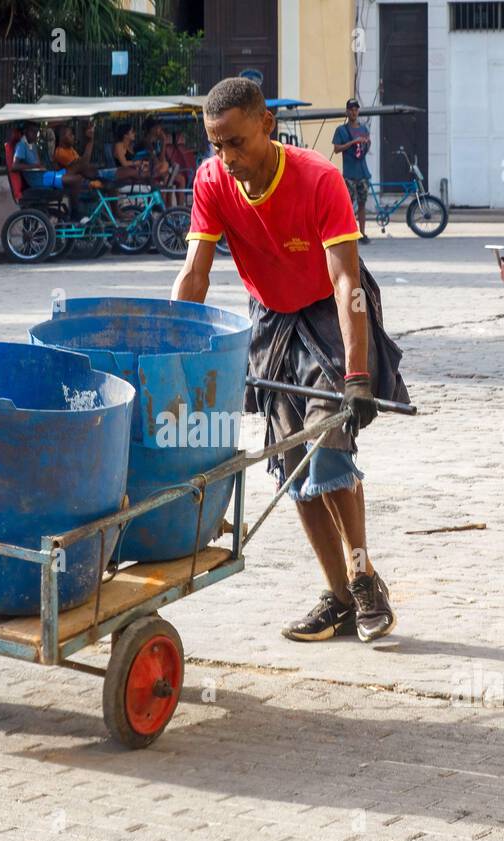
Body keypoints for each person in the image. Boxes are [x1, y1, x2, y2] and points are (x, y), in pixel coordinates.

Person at [173, 77, 409, 644]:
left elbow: (347, 280)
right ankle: (338, 596)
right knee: (292, 462)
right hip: (272, 318)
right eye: (215, 145)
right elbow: (196, 273)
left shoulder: (319, 178)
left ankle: (363, 575)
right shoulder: (211, 181)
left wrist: (356, 376)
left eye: (235, 142)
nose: (226, 157)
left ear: (266, 125)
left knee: (328, 448)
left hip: (331, 311)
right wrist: (167, 351)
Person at [12, 123, 89, 218]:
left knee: (78, 169)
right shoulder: (21, 146)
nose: (35, 135)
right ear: (25, 131)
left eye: (36, 132)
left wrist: (41, 166)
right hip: (40, 181)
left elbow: (38, 164)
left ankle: (76, 208)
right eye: (32, 131)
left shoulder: (32, 145)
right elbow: (14, 166)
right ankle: (75, 213)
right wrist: (35, 165)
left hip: (46, 175)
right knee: (76, 179)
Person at [332, 98, 373, 243]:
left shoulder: (364, 129)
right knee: (348, 205)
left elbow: (366, 149)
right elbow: (336, 149)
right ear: (347, 112)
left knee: (362, 203)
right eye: (351, 109)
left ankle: (362, 233)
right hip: (349, 174)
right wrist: (352, 143)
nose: (354, 112)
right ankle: (349, 233)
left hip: (363, 172)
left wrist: (366, 144)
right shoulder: (341, 130)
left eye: (356, 109)